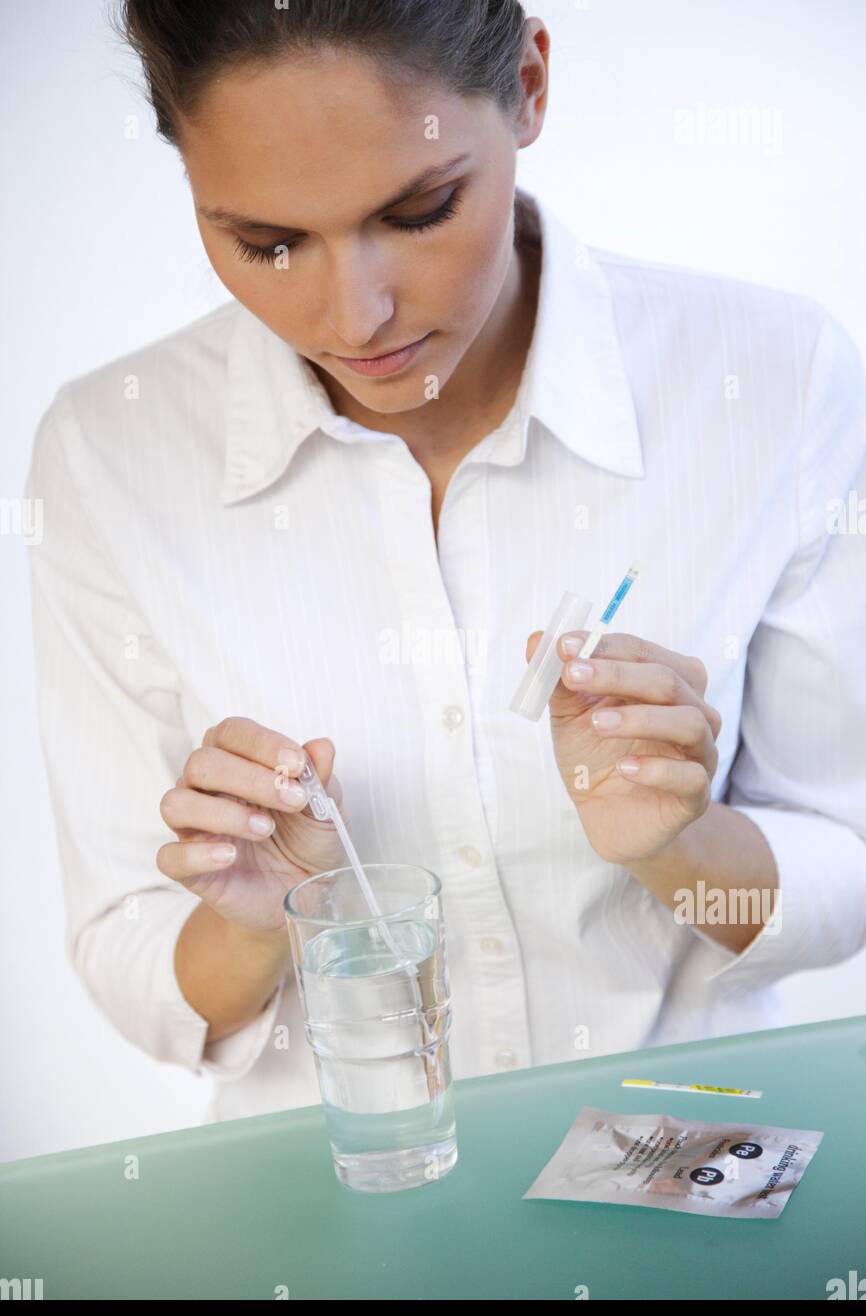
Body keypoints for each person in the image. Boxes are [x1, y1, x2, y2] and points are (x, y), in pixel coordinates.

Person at [25, 0, 866, 1127]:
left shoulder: (767, 377)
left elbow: (847, 870)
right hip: (340, 1221)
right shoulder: (110, 451)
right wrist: (253, 916)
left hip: (686, 1178)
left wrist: (680, 843)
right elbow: (130, 962)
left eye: (419, 210)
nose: (354, 315)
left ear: (526, 82)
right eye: (267, 244)